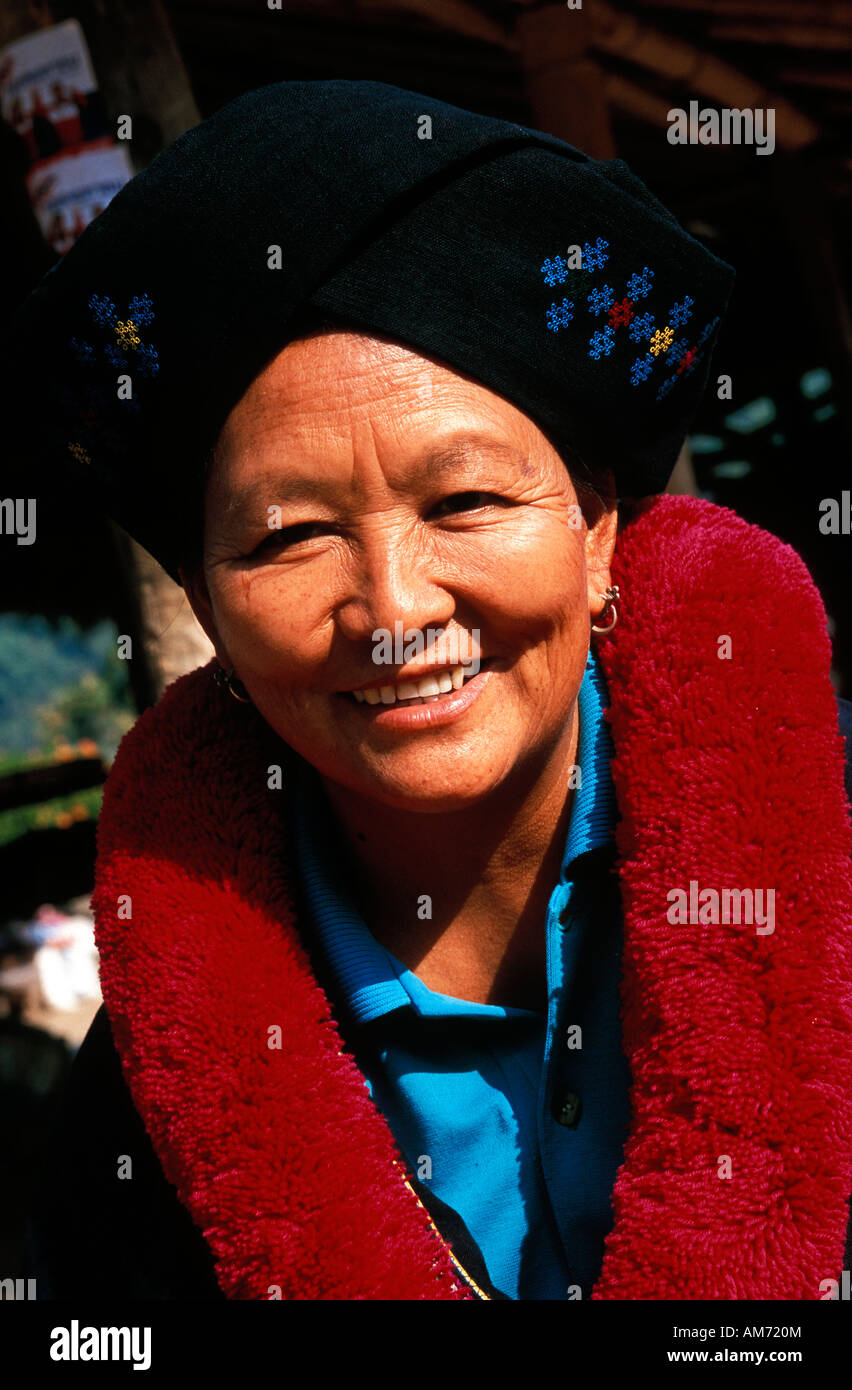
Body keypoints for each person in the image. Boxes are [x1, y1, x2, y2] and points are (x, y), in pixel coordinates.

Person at [12, 80, 852, 1302]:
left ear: (598, 524)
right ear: (204, 604)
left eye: (464, 502)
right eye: (287, 535)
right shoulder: (141, 1118)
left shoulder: (832, 896)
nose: (396, 610)